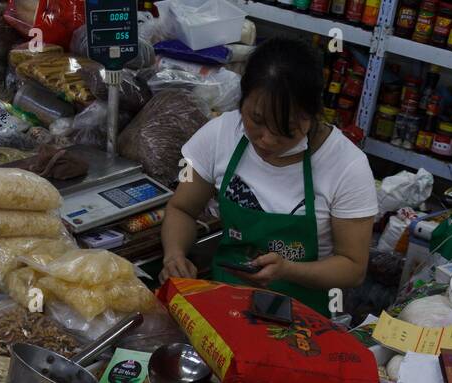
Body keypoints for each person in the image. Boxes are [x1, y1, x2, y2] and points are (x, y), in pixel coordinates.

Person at [158, 37, 377, 317]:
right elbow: (182, 209)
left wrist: (288, 270)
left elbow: (353, 267)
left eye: (286, 128)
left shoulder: (346, 166)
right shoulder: (220, 134)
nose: (267, 139)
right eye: (256, 120)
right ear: (242, 100)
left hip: (302, 321)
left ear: (313, 115)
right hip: (225, 306)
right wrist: (174, 254)